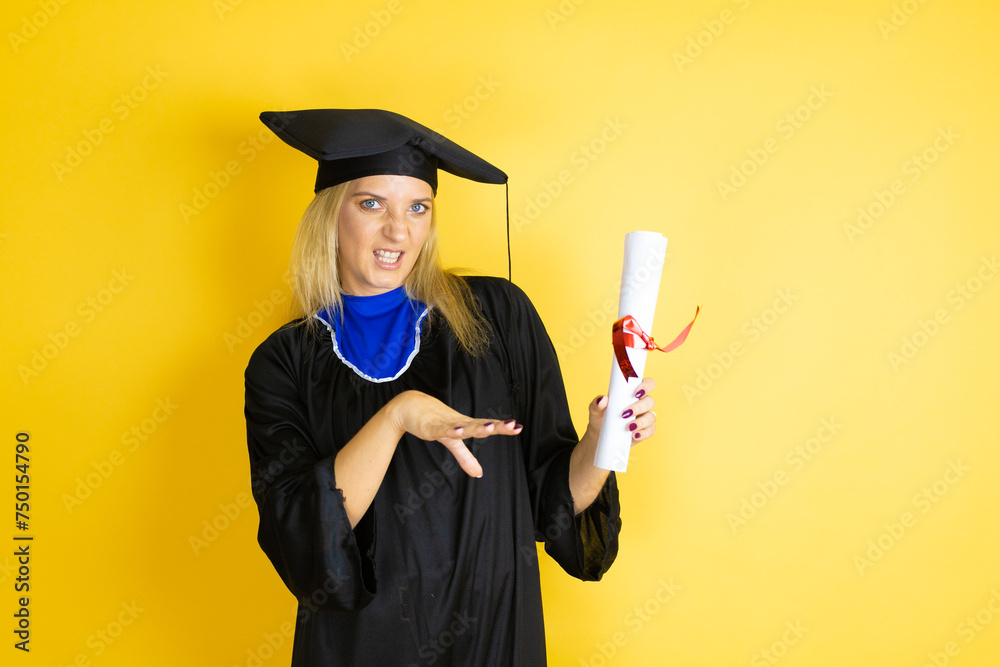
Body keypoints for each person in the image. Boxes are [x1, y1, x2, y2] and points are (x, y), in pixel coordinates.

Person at [244, 109, 658, 666]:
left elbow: (551, 510)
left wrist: (602, 443)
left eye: (418, 207)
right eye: (372, 204)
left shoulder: (494, 315)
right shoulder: (285, 362)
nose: (399, 229)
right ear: (329, 214)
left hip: (490, 638)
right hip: (359, 649)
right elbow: (306, 540)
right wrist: (397, 417)